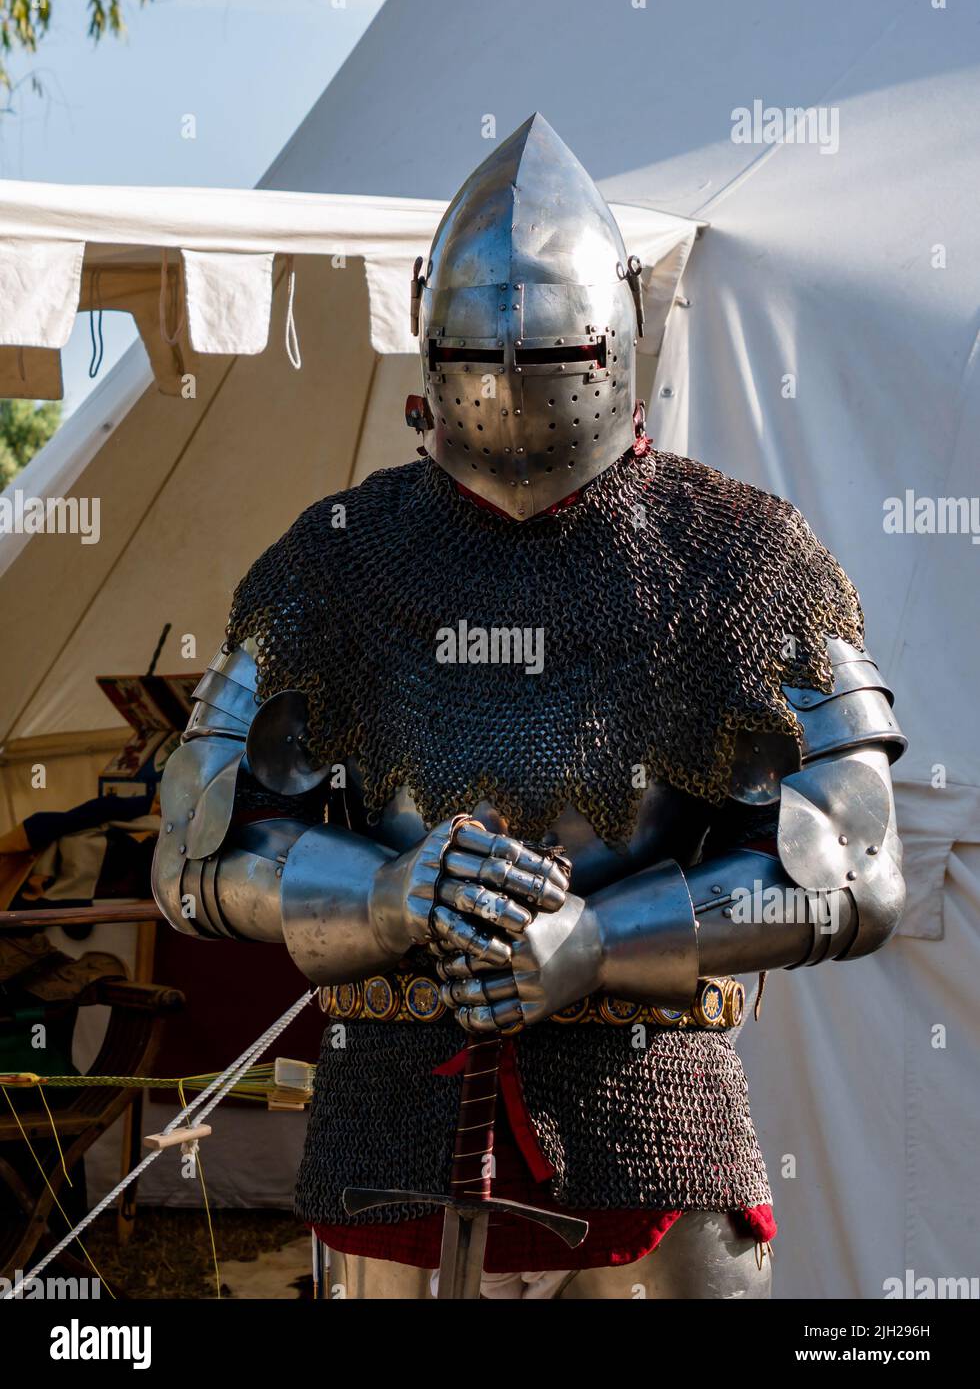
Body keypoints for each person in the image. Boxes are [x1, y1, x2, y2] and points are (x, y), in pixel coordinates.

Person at [151, 114, 907, 1299]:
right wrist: (388, 894)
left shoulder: (740, 559)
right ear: (430, 344)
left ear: (615, 338)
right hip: (395, 1114)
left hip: (649, 1108)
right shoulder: (337, 560)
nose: (511, 382)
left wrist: (602, 940)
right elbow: (194, 852)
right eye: (480, 352)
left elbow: (855, 867)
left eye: (546, 357)